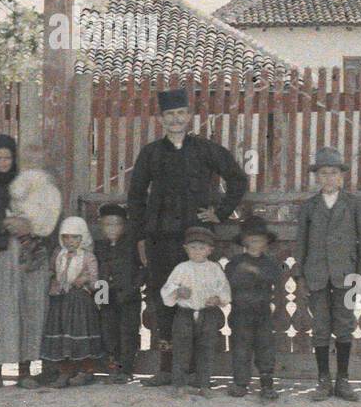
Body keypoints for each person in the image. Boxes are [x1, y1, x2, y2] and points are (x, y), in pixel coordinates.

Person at [127, 88, 248, 386]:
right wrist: (141, 236)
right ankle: (169, 368)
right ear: (161, 119)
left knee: (201, 297)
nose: (176, 119)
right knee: (165, 299)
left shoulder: (206, 149)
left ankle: (199, 370)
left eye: (180, 113)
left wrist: (220, 213)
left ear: (189, 116)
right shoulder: (151, 153)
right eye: (169, 114)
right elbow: (136, 196)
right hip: (160, 239)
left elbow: (238, 178)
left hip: (198, 239)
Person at [0, 135, 61, 389]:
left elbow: (46, 214)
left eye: (8, 157)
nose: (3, 162)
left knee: (28, 309)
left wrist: (31, 229)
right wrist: (5, 225)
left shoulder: (27, 182)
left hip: (28, 255)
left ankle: (25, 371)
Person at [295, 146, 361, 402]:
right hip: (316, 274)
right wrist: (301, 276)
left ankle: (343, 380)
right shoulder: (309, 207)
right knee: (320, 327)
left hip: (346, 274)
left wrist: (360, 275)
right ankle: (323, 381)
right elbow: (301, 243)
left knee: (345, 326)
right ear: (317, 177)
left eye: (334, 173)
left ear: (342, 177)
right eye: (324, 173)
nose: (329, 178)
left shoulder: (354, 205)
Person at [159, 225, 232, 398]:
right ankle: (179, 384)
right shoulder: (182, 268)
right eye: (193, 247)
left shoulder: (214, 268)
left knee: (206, 349)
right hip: (185, 313)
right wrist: (177, 292)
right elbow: (167, 289)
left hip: (208, 314)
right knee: (182, 349)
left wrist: (218, 299)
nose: (197, 251)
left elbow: (224, 289)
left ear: (210, 250)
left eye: (202, 248)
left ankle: (204, 384)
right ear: (186, 249)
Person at [40, 216, 106, 387]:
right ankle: (65, 371)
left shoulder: (88, 257)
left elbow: (95, 280)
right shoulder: (58, 254)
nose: (70, 241)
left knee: (79, 333)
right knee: (62, 334)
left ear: (82, 237)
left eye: (75, 237)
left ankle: (86, 371)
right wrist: (54, 282)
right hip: (61, 300)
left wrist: (84, 279)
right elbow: (51, 272)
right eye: (66, 237)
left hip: (80, 302)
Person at [225, 216, 282, 400]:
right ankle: (241, 383)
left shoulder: (270, 263)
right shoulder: (235, 263)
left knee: (265, 347)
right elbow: (230, 282)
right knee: (241, 347)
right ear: (244, 241)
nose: (255, 241)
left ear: (266, 242)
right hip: (241, 312)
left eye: (260, 238)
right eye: (251, 238)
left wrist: (255, 273)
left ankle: (267, 384)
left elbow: (274, 280)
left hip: (263, 312)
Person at [94, 203, 142, 383]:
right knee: (108, 331)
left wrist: (133, 288)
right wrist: (99, 296)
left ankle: (126, 369)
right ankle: (112, 367)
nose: (112, 228)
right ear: (101, 226)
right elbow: (97, 271)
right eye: (107, 224)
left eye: (117, 224)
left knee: (128, 332)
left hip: (128, 296)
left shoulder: (132, 246)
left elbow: (143, 269)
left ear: (124, 225)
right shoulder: (100, 247)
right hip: (106, 295)